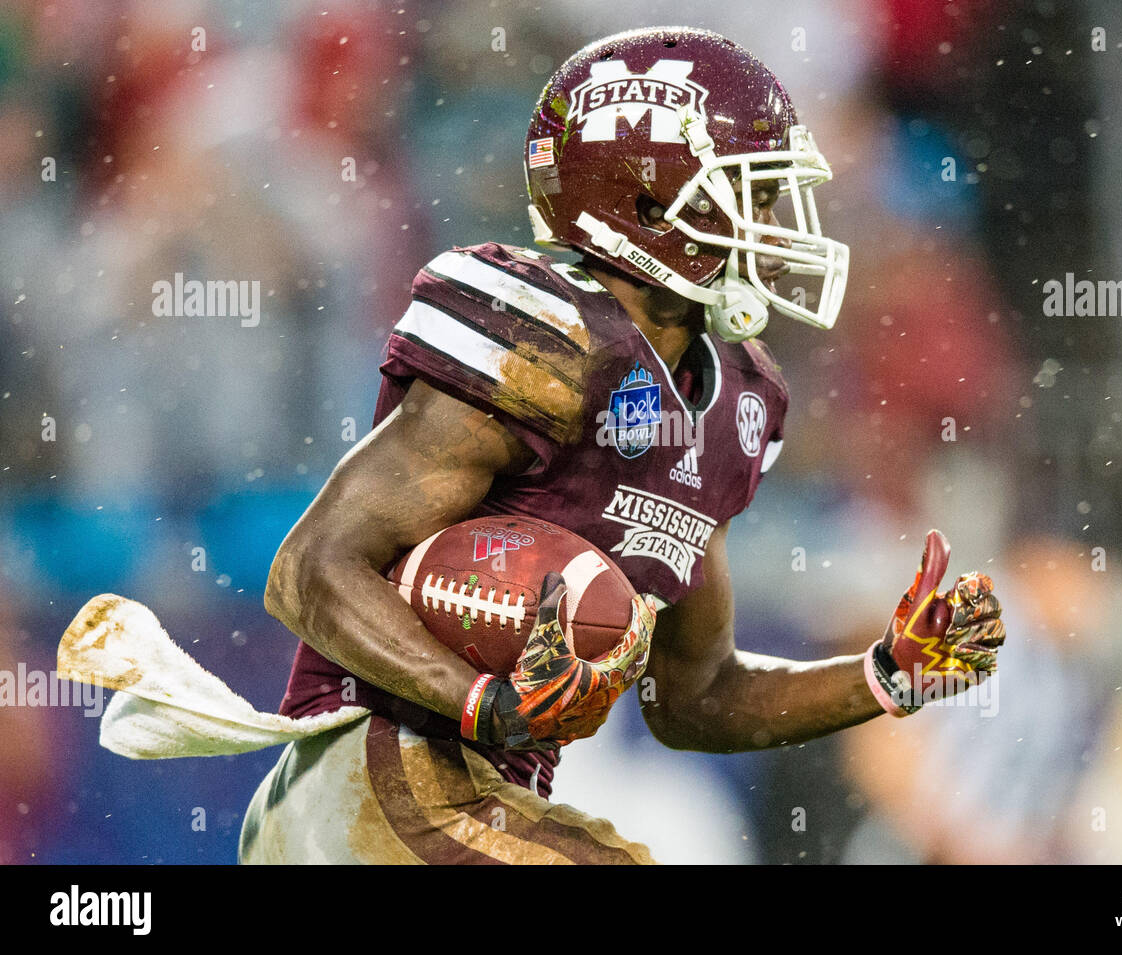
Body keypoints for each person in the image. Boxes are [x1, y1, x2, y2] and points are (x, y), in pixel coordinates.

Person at [241, 26, 1006, 865]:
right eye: (746, 193)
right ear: (643, 205)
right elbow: (311, 569)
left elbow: (694, 695)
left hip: (484, 805)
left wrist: (887, 673)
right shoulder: (546, 344)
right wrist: (482, 702)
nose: (774, 221)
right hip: (368, 780)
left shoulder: (733, 401)